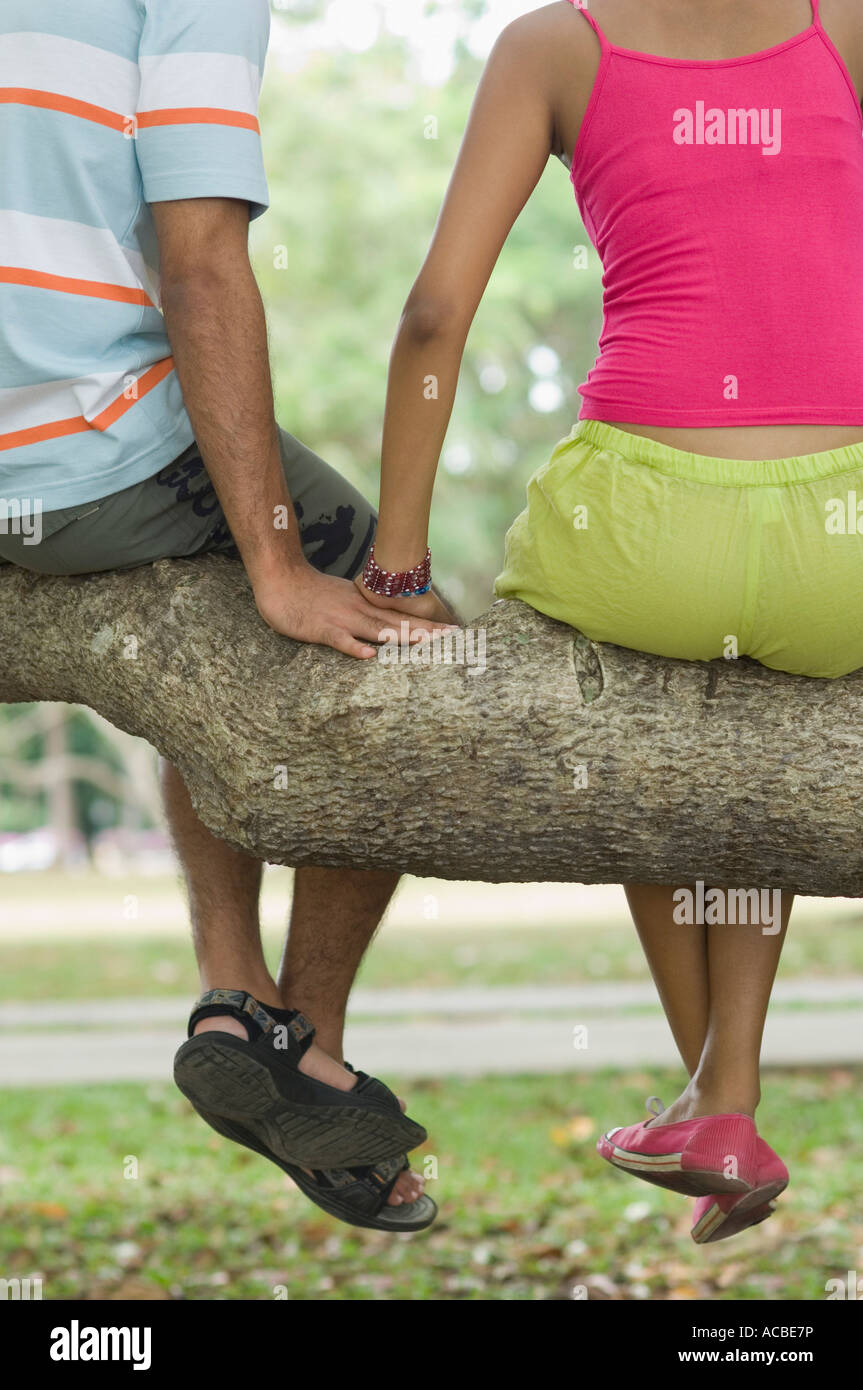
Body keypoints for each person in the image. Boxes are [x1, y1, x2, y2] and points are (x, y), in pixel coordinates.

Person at [356, 0, 863, 1243]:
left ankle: (712, 1093)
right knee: (752, 732)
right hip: (841, 534)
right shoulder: (840, 27)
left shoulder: (552, 47)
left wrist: (398, 565)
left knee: (630, 728)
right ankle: (723, 1090)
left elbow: (433, 315)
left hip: (642, 525)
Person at [0, 0, 457, 1231]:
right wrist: (276, 564)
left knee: (201, 652)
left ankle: (233, 992)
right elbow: (198, 255)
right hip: (85, 457)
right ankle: (295, 1035)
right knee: (396, 628)